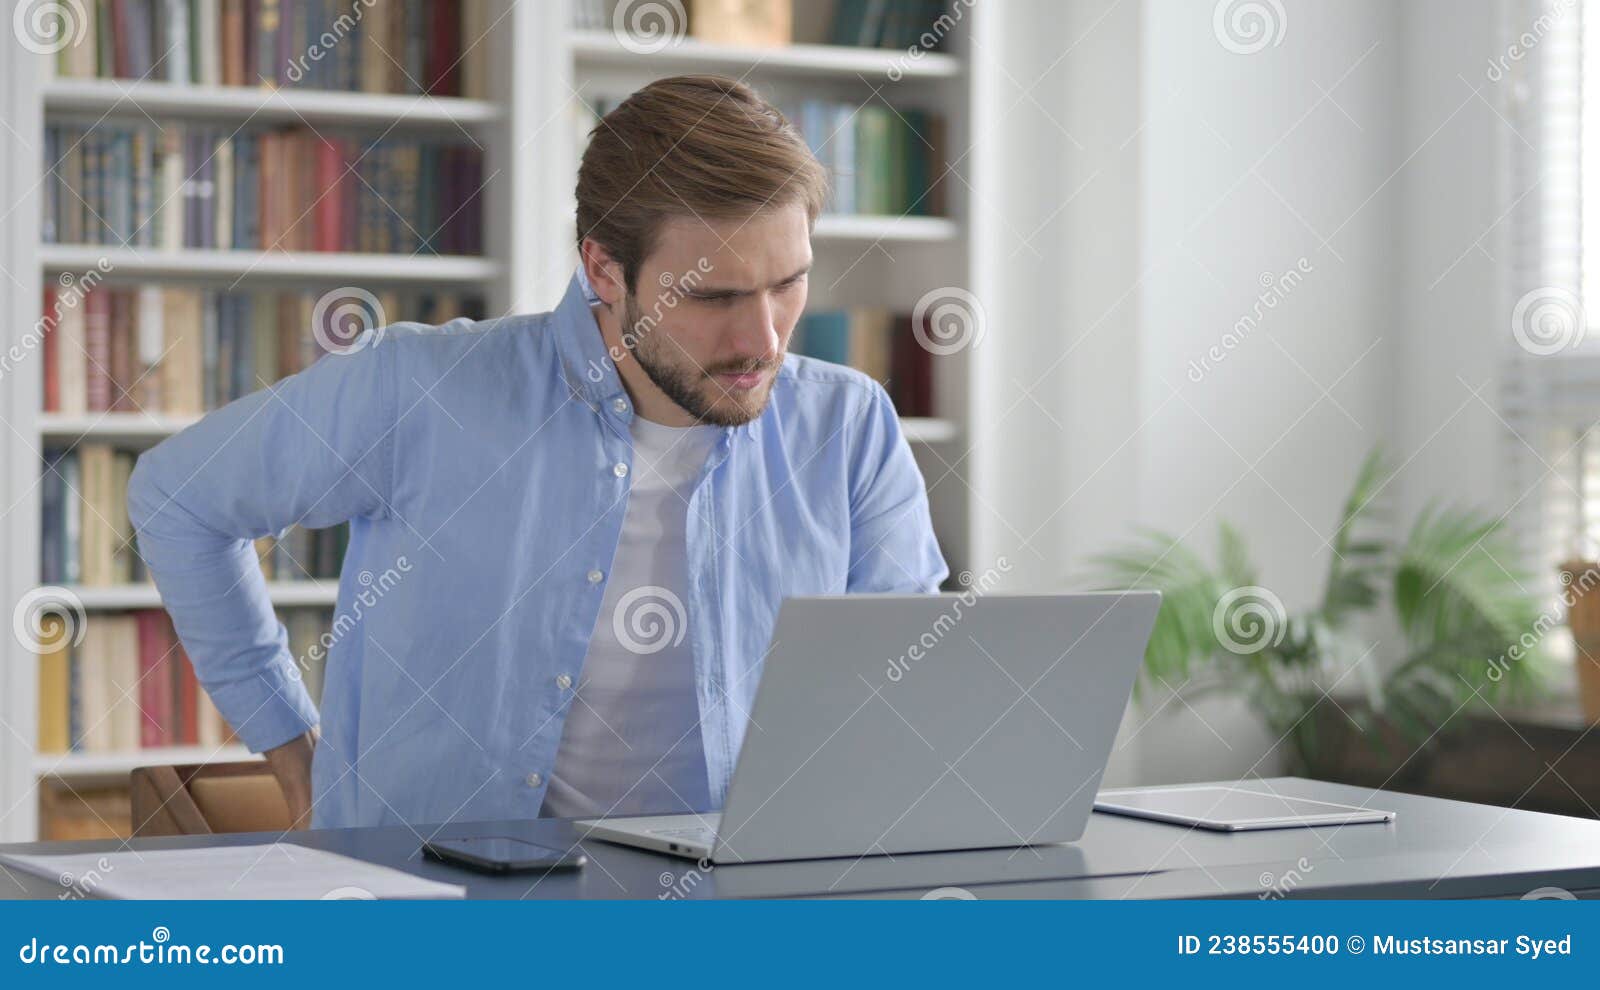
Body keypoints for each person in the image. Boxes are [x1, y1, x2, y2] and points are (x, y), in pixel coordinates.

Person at [128, 74, 947, 830]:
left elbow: (907, 688)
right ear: (604, 268)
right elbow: (178, 498)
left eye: (789, 282)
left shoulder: (848, 426)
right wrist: (291, 749)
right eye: (715, 295)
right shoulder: (419, 388)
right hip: (440, 915)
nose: (764, 338)